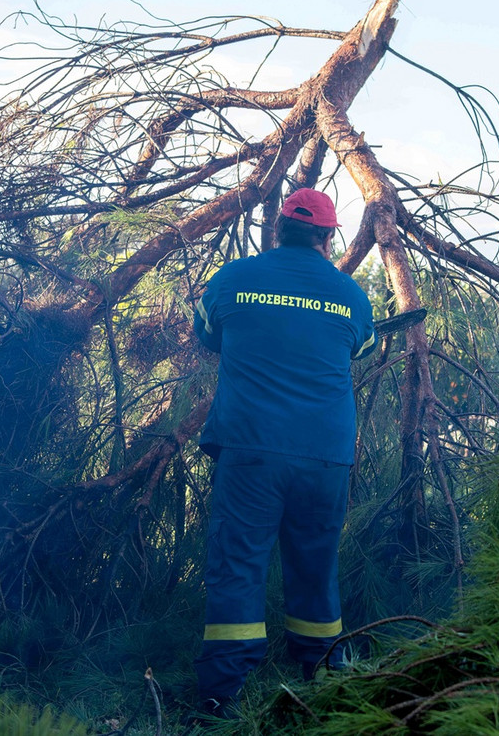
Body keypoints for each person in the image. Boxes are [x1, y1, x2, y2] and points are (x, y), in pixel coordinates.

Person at [191, 188, 376, 716]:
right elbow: (360, 348)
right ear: (327, 235)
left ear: (278, 230)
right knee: (315, 564)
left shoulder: (232, 279)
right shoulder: (351, 295)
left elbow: (208, 334)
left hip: (250, 451)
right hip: (325, 456)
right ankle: (322, 674)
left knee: (238, 564)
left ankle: (220, 694)